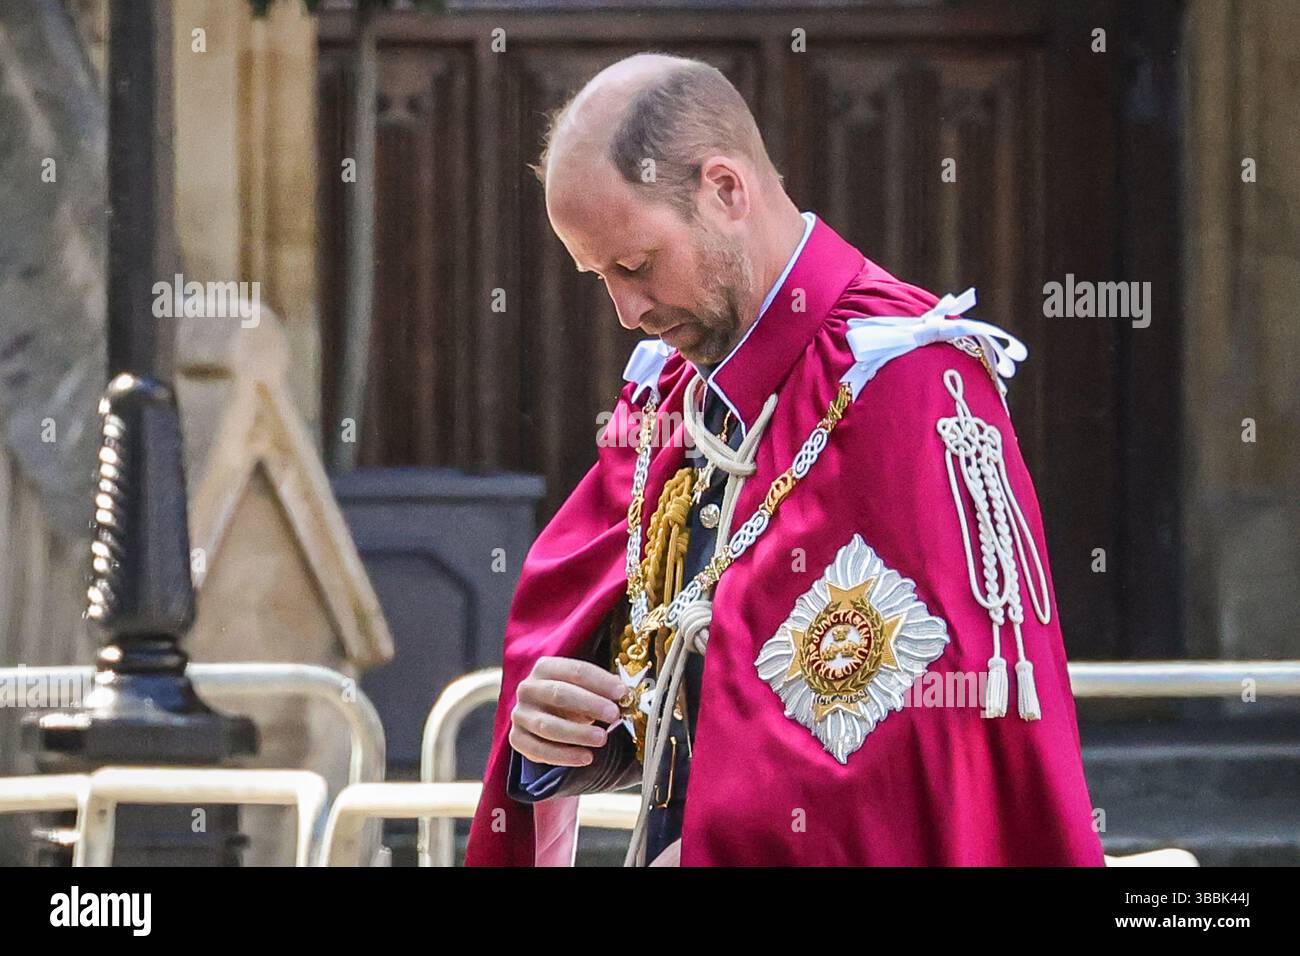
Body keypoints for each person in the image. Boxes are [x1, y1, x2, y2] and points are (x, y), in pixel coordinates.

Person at [464, 52, 1104, 867]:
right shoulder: (670, 396)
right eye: (600, 277)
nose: (625, 312)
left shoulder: (906, 381)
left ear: (726, 190)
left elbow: (917, 766)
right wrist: (571, 737)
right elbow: (682, 694)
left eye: (635, 265)